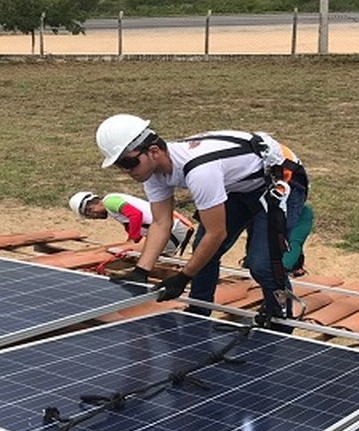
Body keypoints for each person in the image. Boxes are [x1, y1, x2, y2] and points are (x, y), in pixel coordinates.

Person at [95, 114, 309, 330]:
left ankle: (280, 321)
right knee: (203, 250)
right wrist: (141, 271)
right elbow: (161, 223)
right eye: (119, 165)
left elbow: (217, 234)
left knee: (262, 264)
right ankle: (198, 314)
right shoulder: (154, 174)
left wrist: (183, 277)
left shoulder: (200, 171)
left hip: (281, 179)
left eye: (128, 163)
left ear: (154, 151)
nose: (126, 171)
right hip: (239, 185)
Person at [69, 191, 195, 256]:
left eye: (90, 215)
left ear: (90, 208)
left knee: (141, 258)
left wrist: (133, 239)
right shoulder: (113, 202)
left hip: (170, 232)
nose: (95, 218)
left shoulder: (109, 202)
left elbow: (136, 215)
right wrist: (132, 239)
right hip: (170, 230)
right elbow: (132, 224)